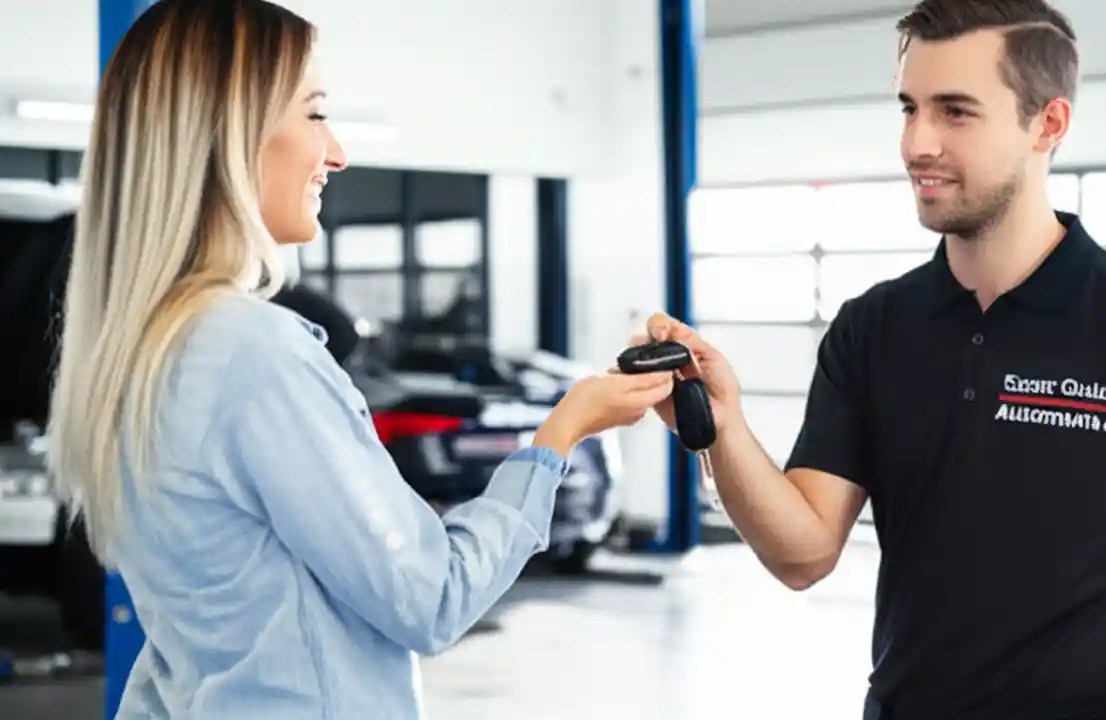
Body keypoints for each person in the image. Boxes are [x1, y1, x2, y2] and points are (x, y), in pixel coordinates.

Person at [640, 1, 1106, 718]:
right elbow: (803, 551)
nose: (918, 142)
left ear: (1049, 123)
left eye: (955, 112)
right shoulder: (873, 328)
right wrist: (722, 427)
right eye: (910, 108)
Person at [44, 1, 672, 717]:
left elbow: (181, 657)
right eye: (314, 114)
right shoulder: (256, 355)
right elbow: (431, 597)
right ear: (230, 135)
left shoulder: (136, 356)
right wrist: (561, 435)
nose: (337, 151)